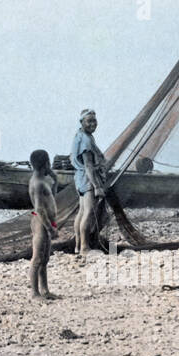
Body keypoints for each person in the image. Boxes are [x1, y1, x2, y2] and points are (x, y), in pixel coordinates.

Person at [71, 109, 105, 257]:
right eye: (89, 121)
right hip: (87, 178)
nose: (93, 124)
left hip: (79, 178)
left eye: (94, 121)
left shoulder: (80, 135)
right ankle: (85, 247)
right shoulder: (85, 140)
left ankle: (78, 246)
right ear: (82, 122)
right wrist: (97, 186)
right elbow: (88, 166)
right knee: (89, 212)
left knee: (82, 211)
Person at [27, 149, 59, 301]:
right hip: (41, 222)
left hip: (46, 221)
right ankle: (35, 293)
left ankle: (45, 290)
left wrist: (55, 179)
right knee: (37, 258)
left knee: (45, 258)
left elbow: (52, 195)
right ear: (46, 164)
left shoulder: (42, 179)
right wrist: (49, 227)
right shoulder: (38, 183)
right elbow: (39, 208)